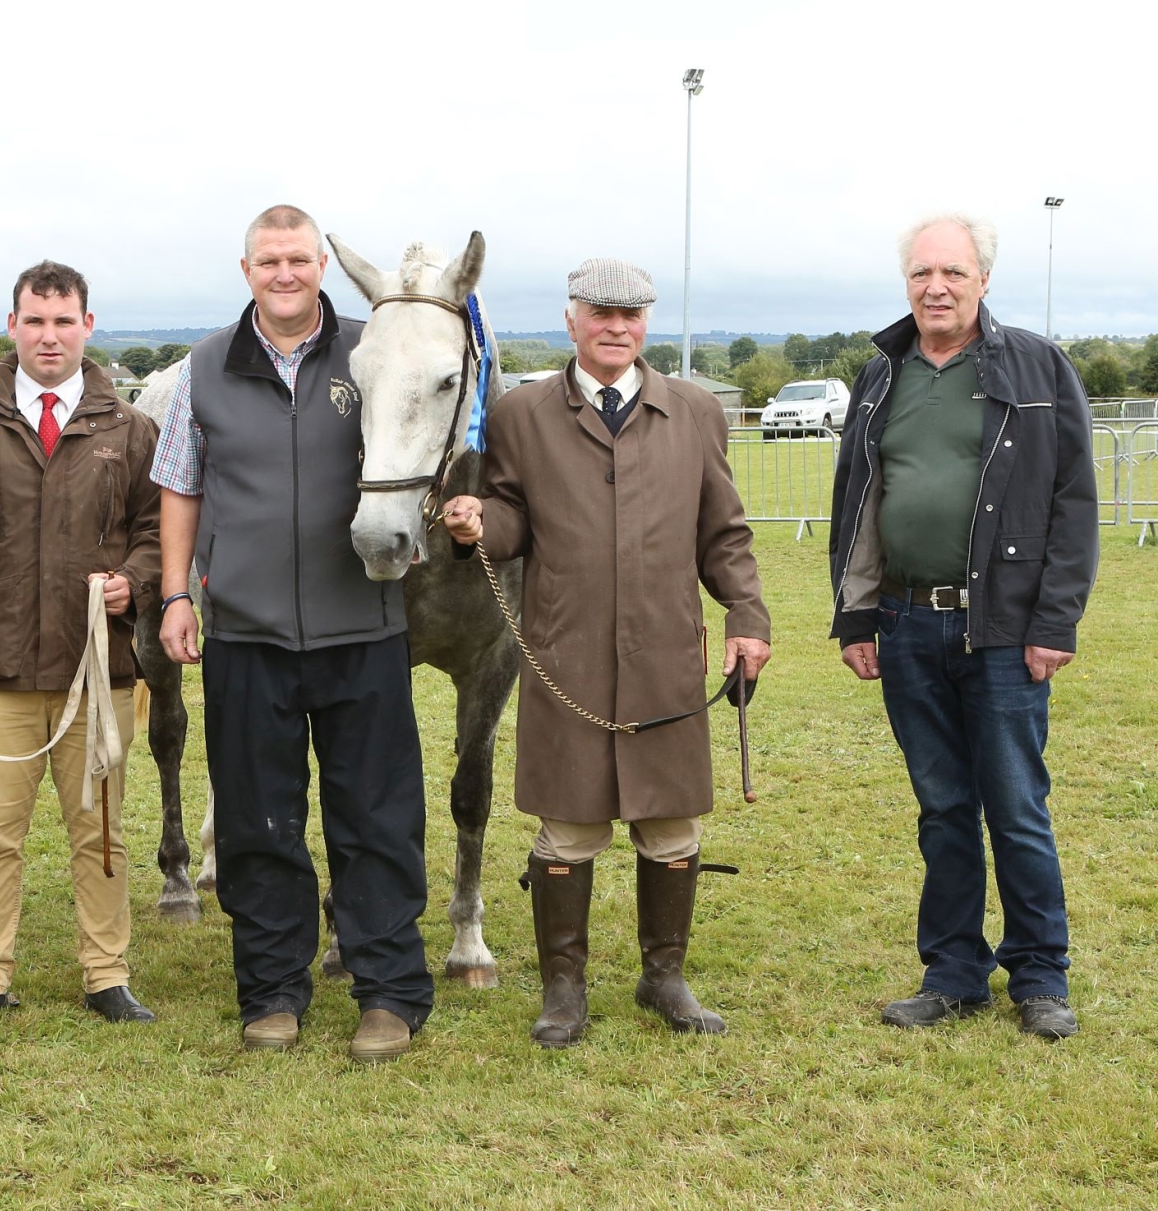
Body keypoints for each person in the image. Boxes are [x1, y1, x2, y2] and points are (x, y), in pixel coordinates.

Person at [442, 257, 770, 1047]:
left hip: (664, 655)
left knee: (670, 826)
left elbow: (721, 531)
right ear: (572, 320)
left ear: (646, 324)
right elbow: (516, 523)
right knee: (570, 828)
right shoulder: (521, 415)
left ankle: (665, 976)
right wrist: (480, 521)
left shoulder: (693, 411)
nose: (616, 328)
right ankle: (564, 989)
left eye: (631, 315)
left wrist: (747, 613)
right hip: (567, 654)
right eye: (600, 314)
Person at [155, 205, 433, 1063]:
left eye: (300, 259)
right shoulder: (203, 367)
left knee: (377, 815)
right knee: (256, 820)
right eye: (269, 260)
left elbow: (426, 427)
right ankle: (273, 989)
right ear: (246, 270)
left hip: (365, 623)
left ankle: (387, 990)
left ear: (322, 266)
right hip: (247, 630)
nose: (285, 273)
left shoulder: (371, 349)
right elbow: (180, 487)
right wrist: (175, 593)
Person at [828, 213, 1096, 1041]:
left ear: (984, 278)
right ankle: (952, 973)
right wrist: (857, 615)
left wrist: (1054, 623)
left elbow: (1073, 503)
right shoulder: (882, 374)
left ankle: (1040, 976)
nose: (935, 287)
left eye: (952, 272)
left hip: (1008, 633)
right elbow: (858, 503)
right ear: (906, 283)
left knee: (1015, 803)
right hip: (907, 623)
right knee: (943, 806)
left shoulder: (1037, 366)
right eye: (921, 274)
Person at [0, 260, 162, 1039]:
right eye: (35, 321)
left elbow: (157, 529)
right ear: (12, 327)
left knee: (102, 829)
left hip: (97, 670)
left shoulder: (130, 430)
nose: (50, 335)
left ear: (88, 326)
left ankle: (107, 975)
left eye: (64, 320)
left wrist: (135, 581)